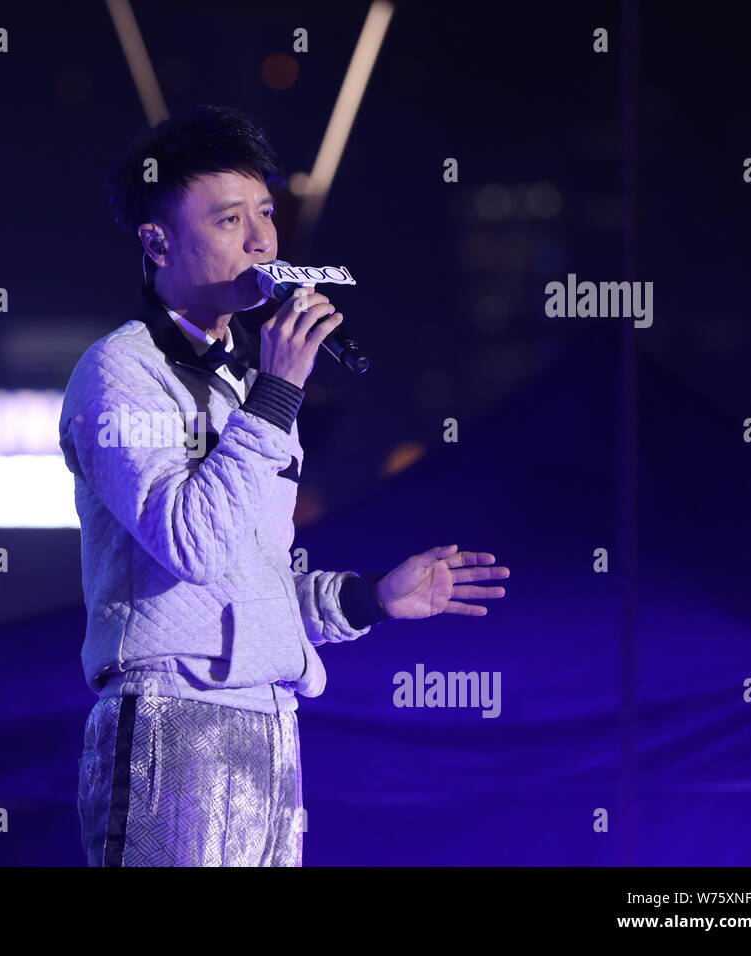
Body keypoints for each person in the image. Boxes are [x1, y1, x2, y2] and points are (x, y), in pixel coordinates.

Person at [59, 104, 509, 866]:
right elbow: (192, 544)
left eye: (266, 213)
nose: (263, 240)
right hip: (172, 723)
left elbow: (247, 583)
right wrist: (277, 395)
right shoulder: (119, 373)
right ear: (156, 241)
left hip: (271, 730)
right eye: (231, 219)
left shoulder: (252, 382)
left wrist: (372, 598)